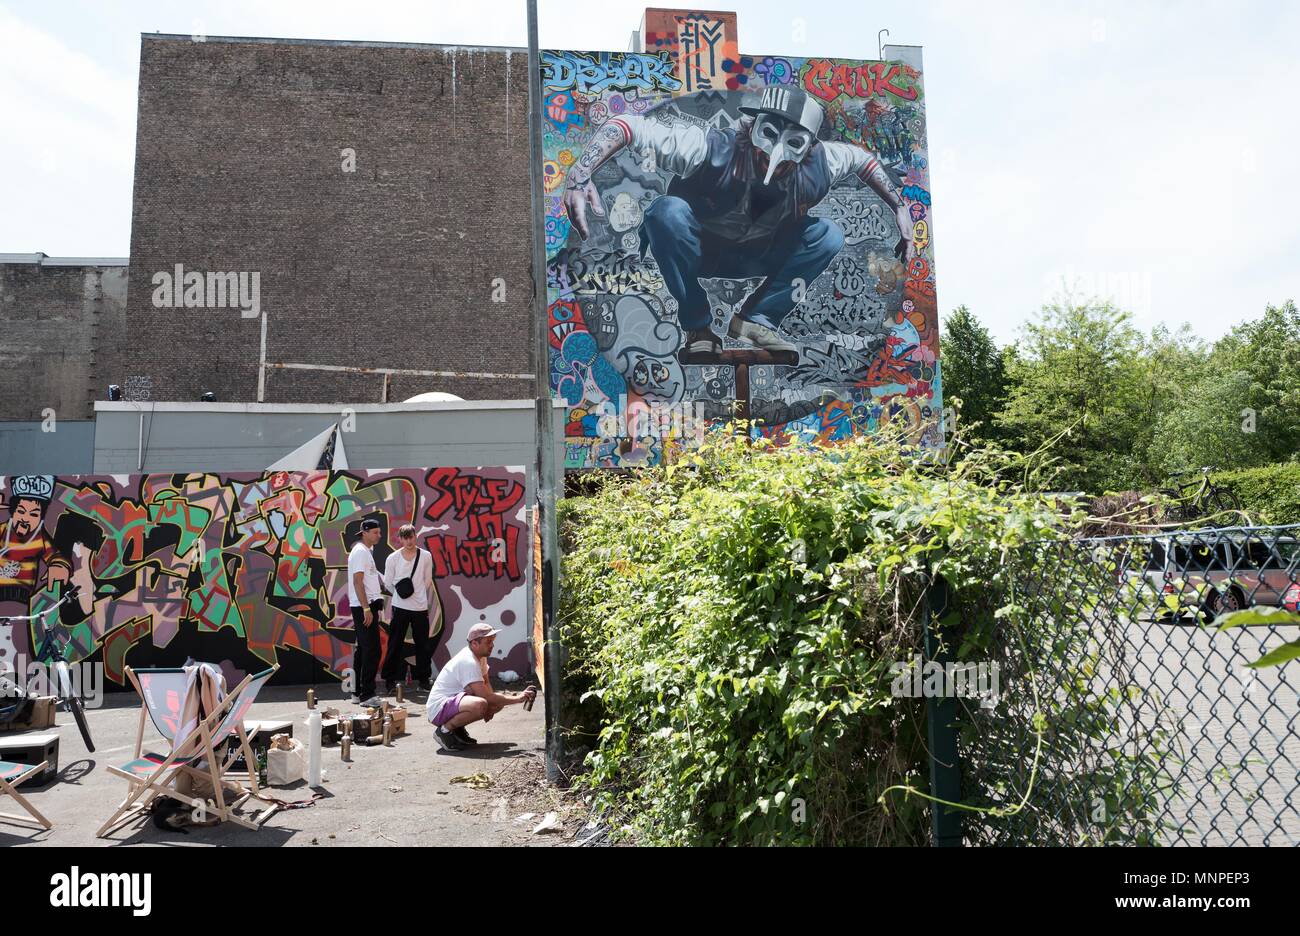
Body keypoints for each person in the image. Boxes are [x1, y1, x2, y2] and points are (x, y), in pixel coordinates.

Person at [561, 85, 914, 358]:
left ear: (808, 147)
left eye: (793, 142)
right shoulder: (707, 147)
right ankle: (698, 327)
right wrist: (581, 173)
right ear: (753, 125)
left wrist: (898, 206)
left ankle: (755, 319)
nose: (775, 152)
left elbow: (862, 161)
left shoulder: (823, 163)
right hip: (701, 248)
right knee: (664, 213)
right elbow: (628, 126)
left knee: (827, 234)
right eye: (769, 133)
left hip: (759, 253)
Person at [427, 622, 536, 751]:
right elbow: (485, 696)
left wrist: (492, 707)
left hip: (450, 704)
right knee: (480, 705)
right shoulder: (469, 661)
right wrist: (519, 698)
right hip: (437, 710)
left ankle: (456, 730)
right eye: (488, 642)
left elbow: (486, 684)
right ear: (474, 644)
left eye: (492, 641)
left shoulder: (480, 657)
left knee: (495, 703)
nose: (492, 645)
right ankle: (444, 732)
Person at [380, 523, 440, 692]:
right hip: (400, 606)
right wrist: (401, 595)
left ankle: (423, 680)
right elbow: (388, 582)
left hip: (420, 607)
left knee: (423, 645)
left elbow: (428, 580)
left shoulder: (425, 556)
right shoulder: (393, 558)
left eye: (411, 537)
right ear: (400, 539)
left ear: (416, 536)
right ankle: (389, 681)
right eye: (405, 538)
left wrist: (418, 592)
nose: (409, 541)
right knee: (395, 643)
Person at [347, 517, 384, 704]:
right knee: (372, 650)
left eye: (379, 531)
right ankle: (367, 694)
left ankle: (357, 692)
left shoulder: (365, 552)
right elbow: (357, 581)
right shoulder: (361, 552)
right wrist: (366, 608)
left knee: (363, 650)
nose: (379, 535)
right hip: (363, 607)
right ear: (365, 533)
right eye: (376, 532)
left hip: (366, 605)